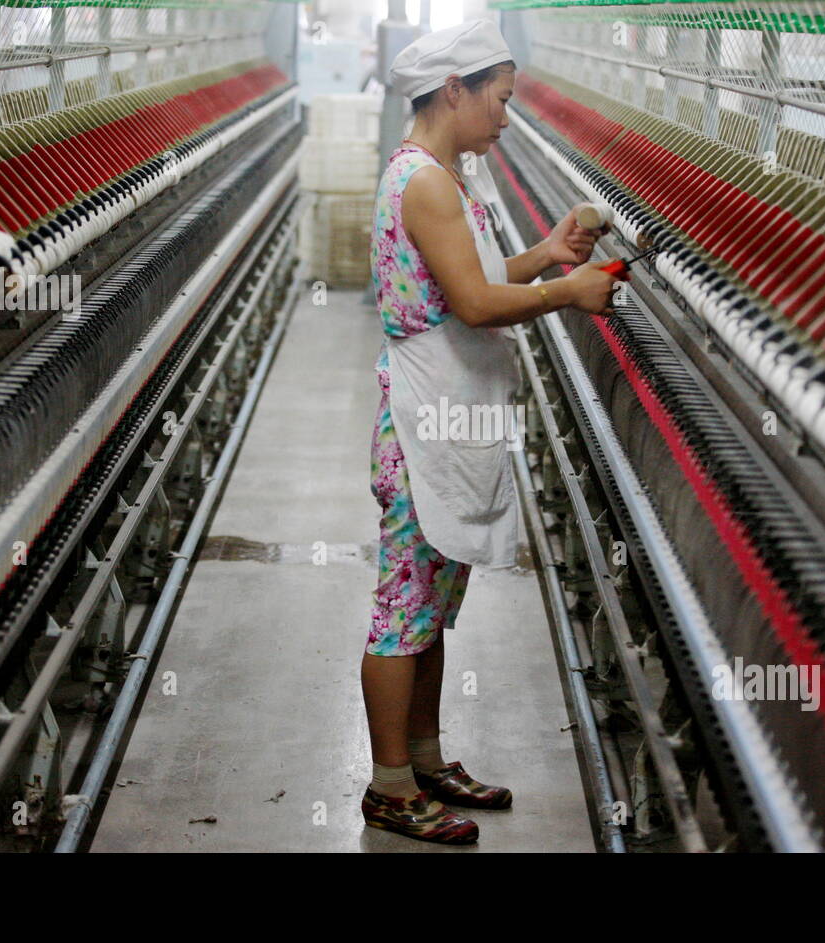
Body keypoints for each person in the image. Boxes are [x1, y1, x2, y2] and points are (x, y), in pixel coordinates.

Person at [361, 18, 618, 845]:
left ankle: (427, 758)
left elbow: (472, 277)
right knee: (403, 610)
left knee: (430, 608)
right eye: (500, 101)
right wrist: (568, 291)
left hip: (448, 412)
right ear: (455, 91)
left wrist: (547, 254)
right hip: (422, 420)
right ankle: (389, 784)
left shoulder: (445, 175)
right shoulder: (427, 183)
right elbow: (473, 305)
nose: (507, 117)